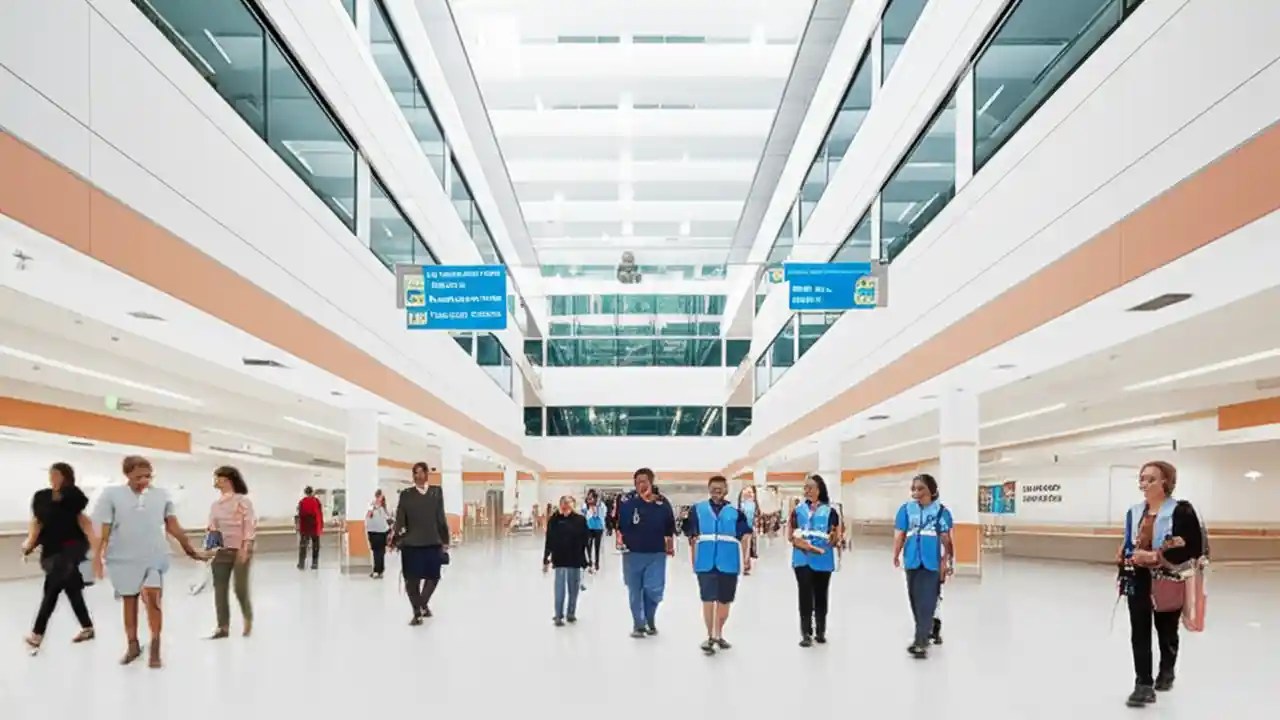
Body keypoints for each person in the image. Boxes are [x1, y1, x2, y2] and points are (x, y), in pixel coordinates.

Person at [93, 455, 206, 668]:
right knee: (130, 602)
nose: (144, 480)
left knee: (153, 600)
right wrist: (97, 557)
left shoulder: (161, 495)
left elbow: (172, 525)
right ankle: (132, 645)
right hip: (123, 558)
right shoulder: (112, 495)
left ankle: (155, 646)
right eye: (138, 477)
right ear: (127, 475)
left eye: (148, 476)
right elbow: (104, 528)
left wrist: (190, 550)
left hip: (154, 555)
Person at [1118, 461, 1205, 708]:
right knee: (1139, 630)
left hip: (1168, 579)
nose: (1143, 484)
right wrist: (1126, 557)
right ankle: (1142, 684)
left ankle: (1167, 670)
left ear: (1166, 482)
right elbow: (1128, 542)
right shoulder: (1134, 512)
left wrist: (1157, 557)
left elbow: (1193, 547)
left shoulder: (1181, 511)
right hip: (1138, 578)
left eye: (1151, 479)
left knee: (1166, 630)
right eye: (1141, 478)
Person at [22, 462, 97, 651]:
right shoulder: (41, 497)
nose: (53, 478)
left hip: (72, 545)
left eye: (57, 474)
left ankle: (37, 635)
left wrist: (96, 546)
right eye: (51, 474)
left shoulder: (74, 495)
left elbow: (83, 520)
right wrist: (30, 543)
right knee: (71, 588)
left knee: (52, 586)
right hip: (51, 548)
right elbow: (37, 522)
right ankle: (87, 628)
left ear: (66, 476)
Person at [685, 475, 752, 654]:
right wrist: (694, 560)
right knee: (707, 599)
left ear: (726, 489)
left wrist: (746, 558)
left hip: (729, 561)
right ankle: (710, 636)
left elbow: (745, 535)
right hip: (705, 561)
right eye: (713, 488)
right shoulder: (697, 510)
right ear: (709, 488)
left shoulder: (736, 512)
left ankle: (719, 632)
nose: (717, 491)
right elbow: (692, 537)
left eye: (720, 488)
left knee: (724, 601)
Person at [892, 473, 954, 659]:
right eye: (914, 489)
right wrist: (896, 554)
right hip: (912, 560)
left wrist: (947, 562)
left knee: (927, 601)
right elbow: (900, 535)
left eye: (921, 489)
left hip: (932, 563)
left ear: (932, 491)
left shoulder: (941, 512)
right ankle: (926, 630)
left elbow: (947, 540)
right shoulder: (905, 510)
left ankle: (920, 641)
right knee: (915, 600)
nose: (916, 493)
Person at [616, 467, 675, 638]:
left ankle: (650, 618)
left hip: (656, 554)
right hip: (632, 554)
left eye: (644, 481)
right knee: (635, 590)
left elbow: (669, 528)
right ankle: (639, 624)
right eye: (637, 482)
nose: (640, 485)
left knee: (654, 590)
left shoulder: (662, 504)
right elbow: (621, 528)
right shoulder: (628, 505)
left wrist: (670, 546)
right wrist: (620, 542)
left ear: (651, 482)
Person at [392, 462, 450, 626]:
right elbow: (400, 519)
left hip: (432, 542)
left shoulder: (436, 493)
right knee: (411, 580)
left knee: (433, 577)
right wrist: (395, 538)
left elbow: (441, 517)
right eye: (415, 473)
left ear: (426, 474)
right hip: (411, 544)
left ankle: (422, 603)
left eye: (420, 473)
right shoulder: (406, 495)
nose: (418, 476)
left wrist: (445, 540)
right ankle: (417, 612)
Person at [207, 466, 256, 639]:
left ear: (228, 480)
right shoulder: (215, 505)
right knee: (220, 588)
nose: (216, 481)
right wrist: (210, 548)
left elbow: (249, 525)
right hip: (222, 550)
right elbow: (212, 527)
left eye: (218, 478)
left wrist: (246, 547)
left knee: (239, 588)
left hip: (240, 549)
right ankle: (223, 627)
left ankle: (247, 617)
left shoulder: (243, 501)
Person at [790, 474, 839, 647]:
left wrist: (833, 538)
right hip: (802, 558)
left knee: (821, 593)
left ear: (820, 489)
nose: (807, 491)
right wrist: (803, 545)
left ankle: (820, 630)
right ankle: (805, 632)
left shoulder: (831, 512)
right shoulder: (797, 511)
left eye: (811, 487)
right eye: (805, 488)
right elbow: (792, 534)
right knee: (804, 595)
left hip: (823, 558)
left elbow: (835, 536)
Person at [544, 495, 590, 626]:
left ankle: (571, 613)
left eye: (568, 504)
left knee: (573, 589)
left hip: (575, 559)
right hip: (559, 559)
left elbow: (585, 541)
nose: (565, 507)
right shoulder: (554, 520)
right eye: (563, 504)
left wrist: (587, 560)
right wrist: (546, 558)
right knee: (559, 589)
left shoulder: (580, 520)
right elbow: (549, 540)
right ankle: (558, 615)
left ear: (573, 506)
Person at [366, 489, 393, 579]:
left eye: (381, 496)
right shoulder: (372, 505)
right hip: (372, 531)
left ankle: (379, 570)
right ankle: (377, 570)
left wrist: (391, 531)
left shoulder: (384, 507)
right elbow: (368, 515)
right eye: (378, 496)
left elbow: (388, 518)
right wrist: (373, 508)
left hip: (382, 532)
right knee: (375, 552)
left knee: (381, 552)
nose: (379, 498)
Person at [295, 486, 324, 570]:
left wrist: (298, 527)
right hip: (315, 526)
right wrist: (321, 526)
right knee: (315, 546)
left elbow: (299, 514)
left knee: (303, 546)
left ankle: (301, 564)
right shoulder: (316, 501)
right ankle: (314, 564)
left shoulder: (302, 502)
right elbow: (320, 514)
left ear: (305, 493)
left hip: (305, 527)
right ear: (312, 492)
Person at [581, 490, 607, 573]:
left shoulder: (601, 505)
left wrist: (597, 509)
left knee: (597, 546)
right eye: (589, 497)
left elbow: (604, 514)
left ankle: (597, 562)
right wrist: (589, 508)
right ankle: (590, 562)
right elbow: (584, 514)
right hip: (589, 527)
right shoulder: (585, 505)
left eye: (592, 497)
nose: (590, 499)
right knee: (588, 545)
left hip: (599, 528)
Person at [738, 486, 759, 571]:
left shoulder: (753, 505)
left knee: (747, 546)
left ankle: (746, 564)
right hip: (743, 528)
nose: (749, 493)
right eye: (747, 491)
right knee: (745, 546)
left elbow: (755, 517)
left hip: (749, 528)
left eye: (750, 492)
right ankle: (745, 564)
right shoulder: (741, 504)